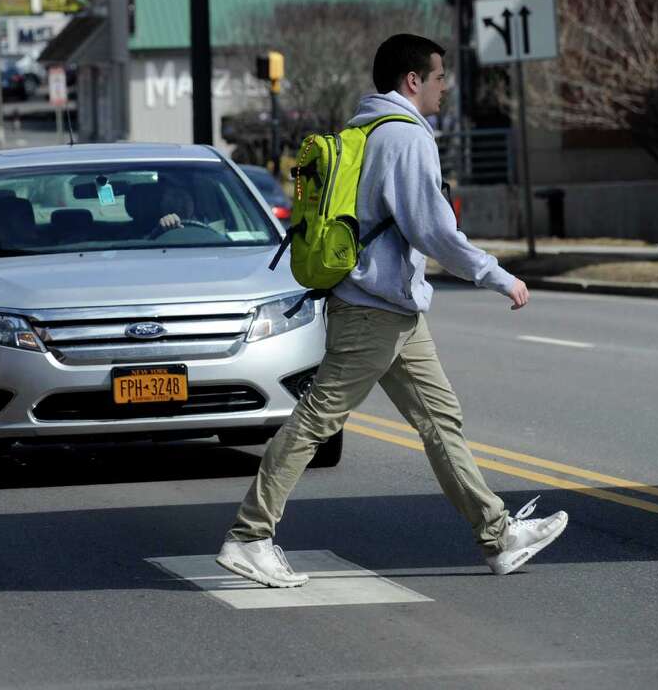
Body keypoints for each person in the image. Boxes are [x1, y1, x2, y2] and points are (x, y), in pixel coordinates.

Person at [216, 34, 568, 587]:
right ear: (412, 81)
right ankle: (250, 536)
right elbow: (433, 229)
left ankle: (498, 537)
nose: (444, 87)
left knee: (440, 419)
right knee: (318, 419)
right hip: (373, 310)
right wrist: (495, 274)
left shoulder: (365, 128)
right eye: (439, 77)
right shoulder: (406, 138)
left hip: (391, 309)